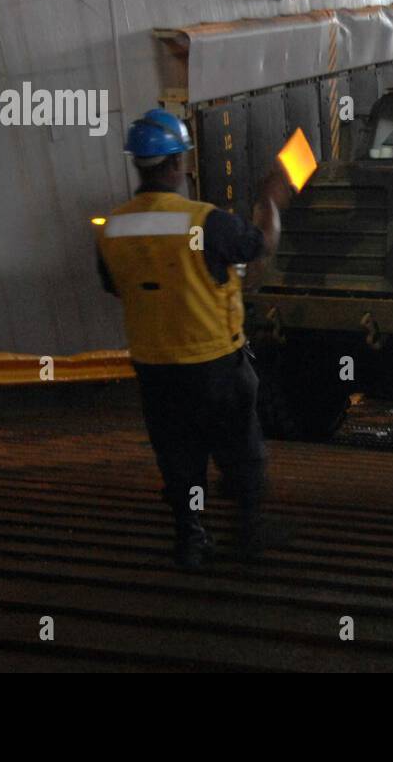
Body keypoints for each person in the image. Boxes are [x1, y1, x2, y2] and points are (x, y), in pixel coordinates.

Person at [95, 108, 291, 569]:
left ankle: (190, 540)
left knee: (179, 460)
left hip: (154, 368)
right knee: (240, 451)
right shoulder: (204, 223)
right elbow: (261, 243)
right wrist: (270, 199)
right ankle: (248, 534)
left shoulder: (113, 229)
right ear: (176, 163)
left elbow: (113, 284)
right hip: (215, 365)